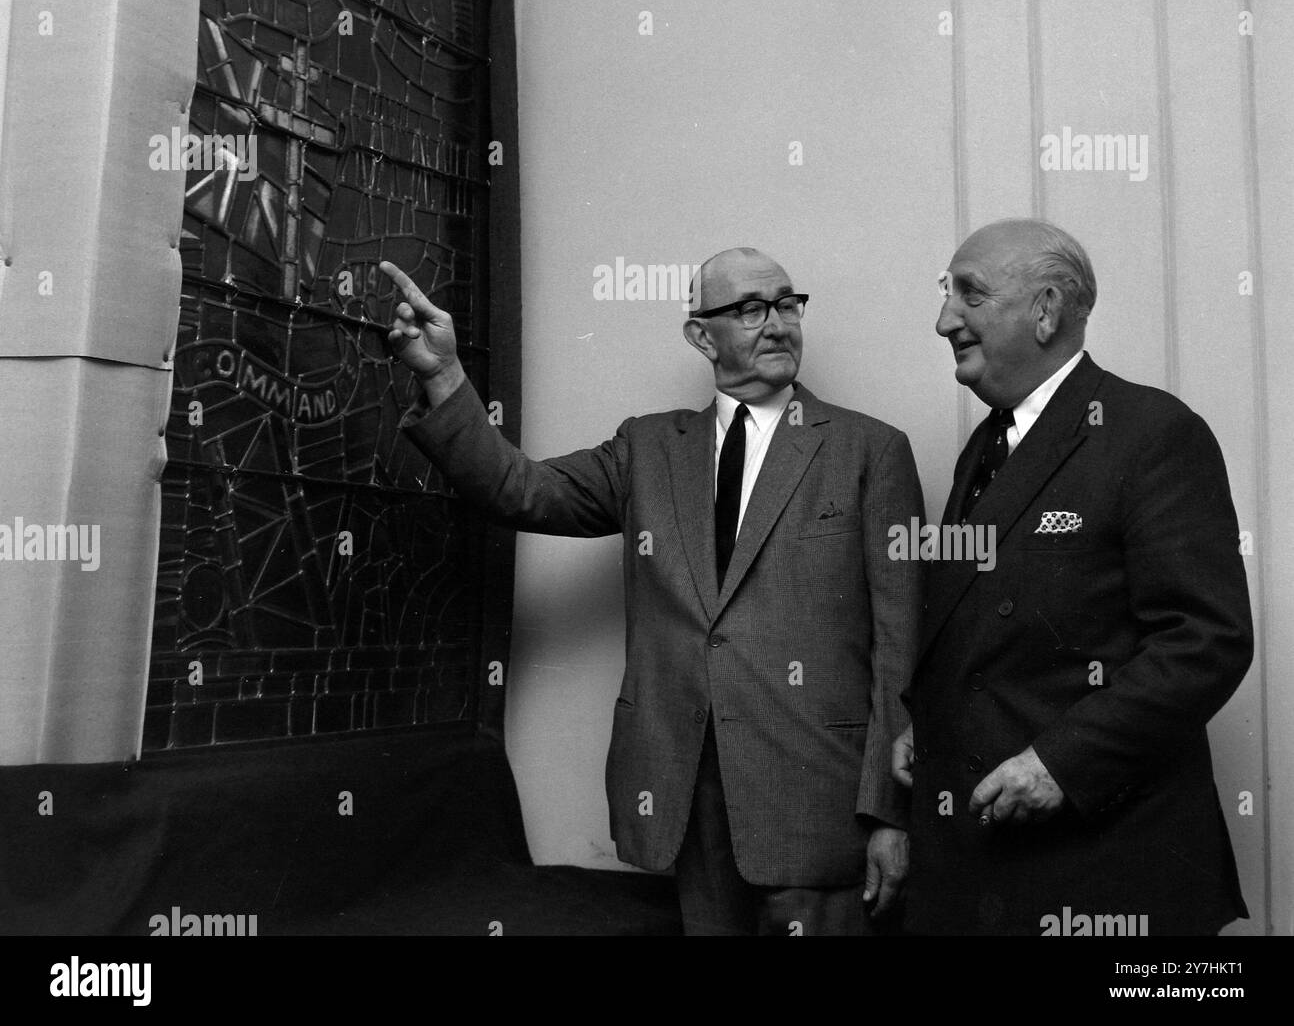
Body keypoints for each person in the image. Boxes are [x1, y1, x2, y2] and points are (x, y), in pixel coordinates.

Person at [381, 248, 923, 935]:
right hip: (686, 800)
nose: (779, 324)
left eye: (789, 304)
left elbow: (901, 650)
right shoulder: (648, 448)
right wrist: (446, 375)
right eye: (752, 309)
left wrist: (889, 813)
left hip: (820, 803)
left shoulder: (870, 451)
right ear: (701, 335)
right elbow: (518, 489)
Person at [894, 219, 1253, 936]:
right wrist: (927, 724)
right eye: (946, 295)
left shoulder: (1152, 432)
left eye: (969, 295)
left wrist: (1059, 764)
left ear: (1046, 309)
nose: (944, 321)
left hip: (1105, 871)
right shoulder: (986, 447)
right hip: (983, 867)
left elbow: (1205, 641)